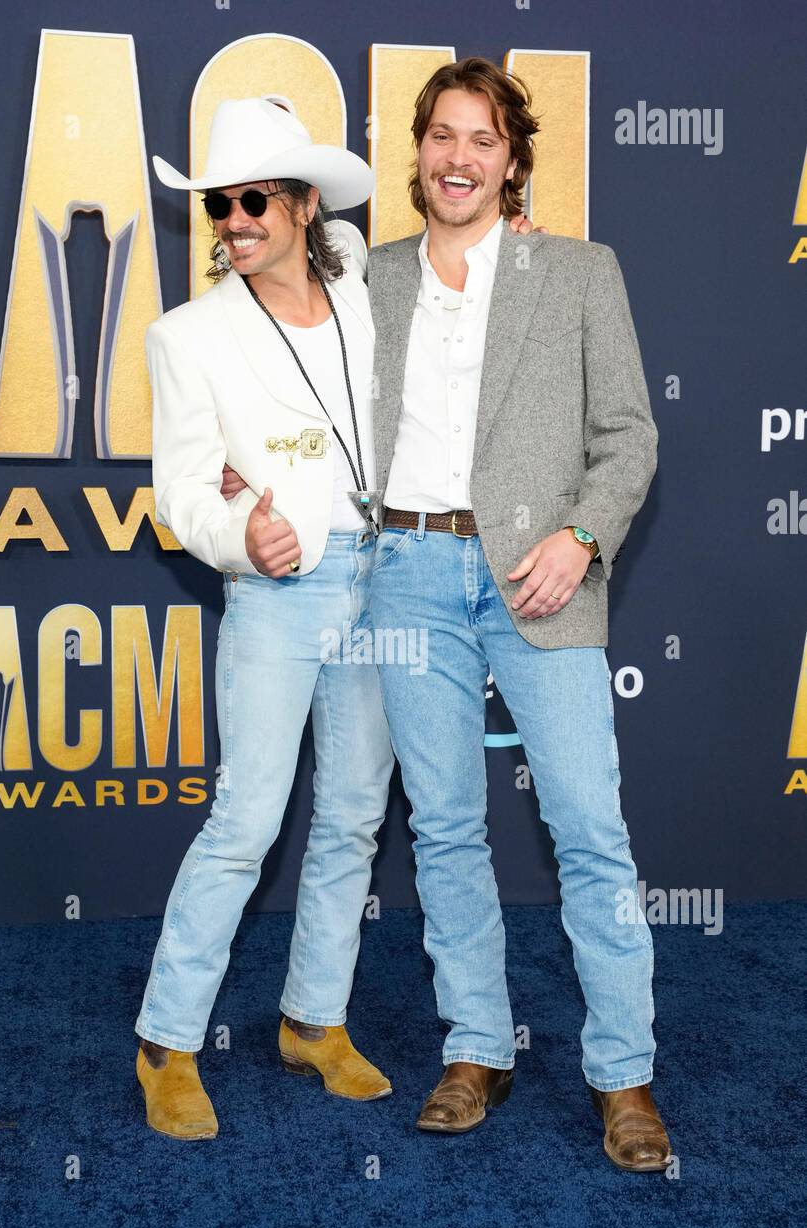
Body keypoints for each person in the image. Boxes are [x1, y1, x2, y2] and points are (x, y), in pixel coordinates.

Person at [361, 57, 672, 1168]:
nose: (458, 158)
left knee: (587, 829)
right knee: (442, 826)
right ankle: (476, 1045)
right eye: (441, 136)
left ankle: (623, 1076)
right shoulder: (368, 276)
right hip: (404, 572)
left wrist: (579, 536)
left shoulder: (580, 272)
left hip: (541, 574)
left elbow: (628, 435)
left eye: (481, 140)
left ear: (511, 159)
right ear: (418, 151)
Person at [135, 96, 398, 1139]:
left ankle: (311, 1020)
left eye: (252, 199)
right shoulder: (186, 336)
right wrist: (243, 533)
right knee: (245, 823)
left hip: (380, 584)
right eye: (217, 204)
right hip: (278, 595)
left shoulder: (360, 278)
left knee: (352, 816)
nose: (232, 220)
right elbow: (180, 489)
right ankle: (165, 1042)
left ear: (299, 204)